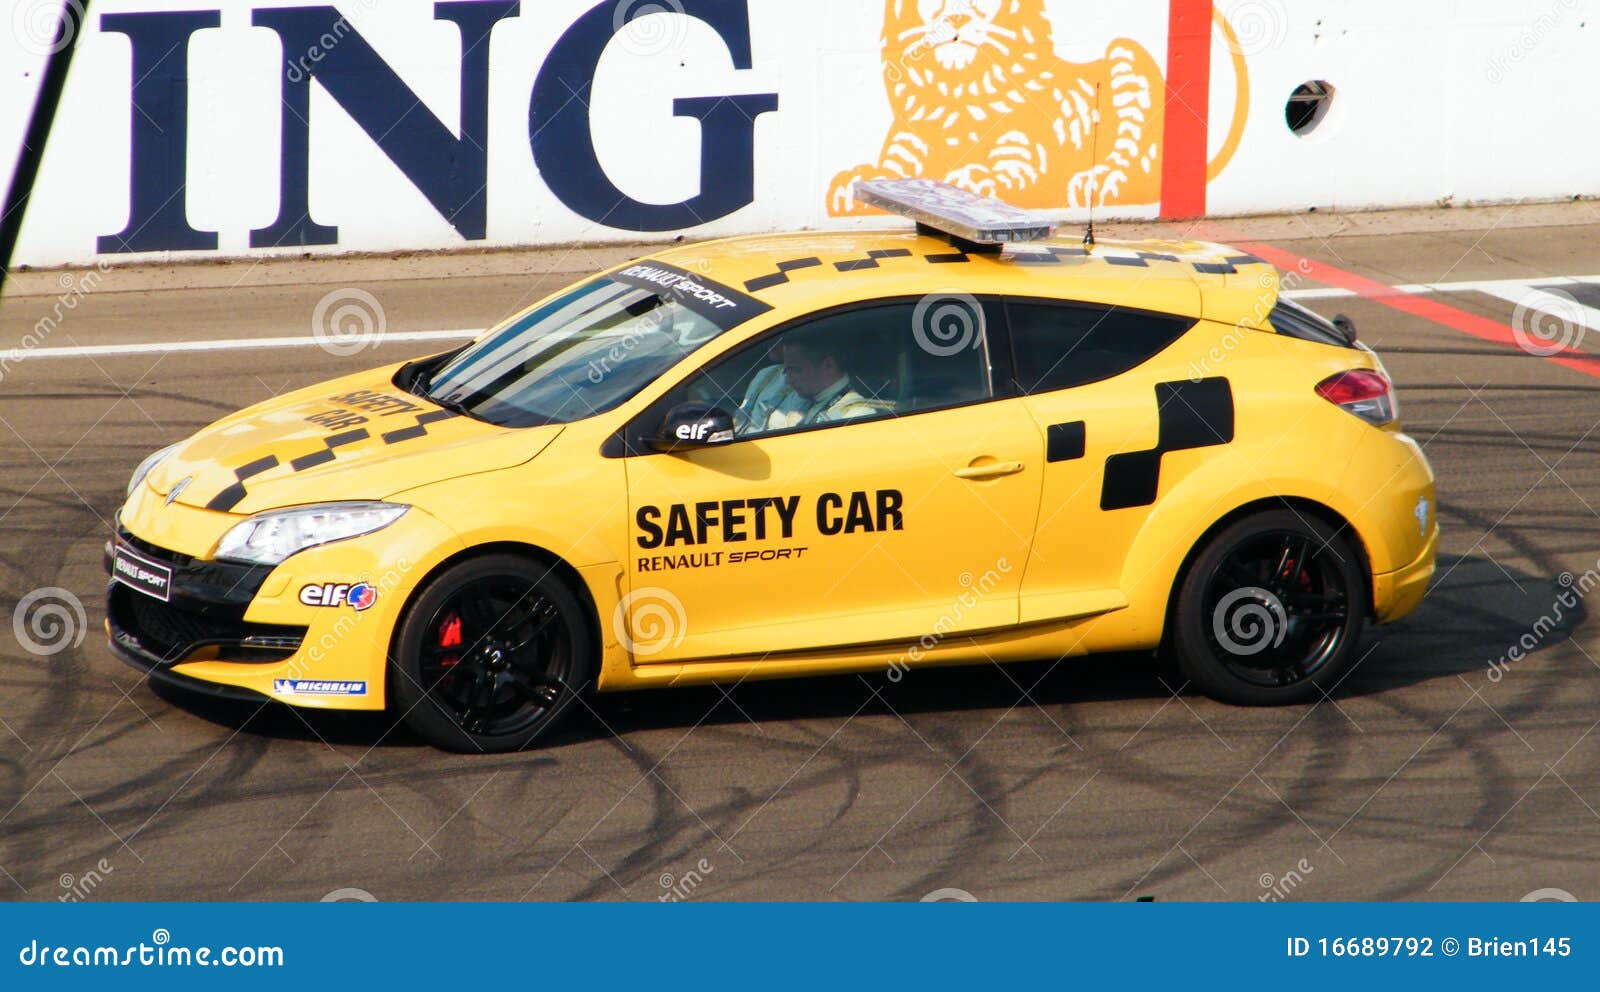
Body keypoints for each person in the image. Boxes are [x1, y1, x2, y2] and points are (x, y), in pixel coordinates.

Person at [738, 334, 885, 435]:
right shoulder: (771, 378)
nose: (788, 381)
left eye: (795, 370)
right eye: (786, 370)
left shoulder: (856, 416)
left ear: (828, 366)